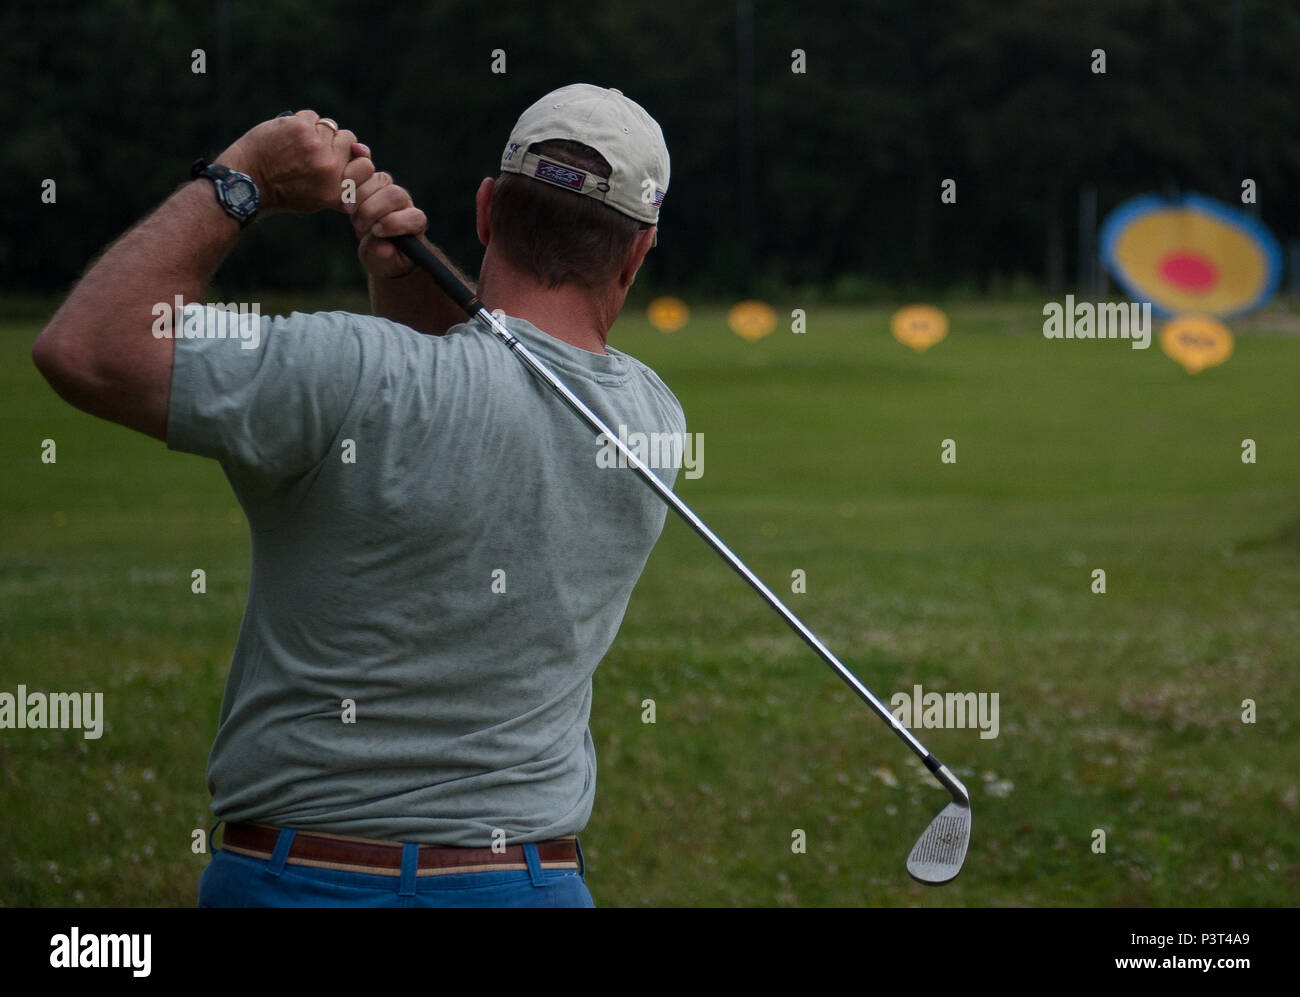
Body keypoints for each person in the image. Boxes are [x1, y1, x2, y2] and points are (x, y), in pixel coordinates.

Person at [32, 84, 683, 908]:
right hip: (526, 880)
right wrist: (409, 295)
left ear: (485, 211)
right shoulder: (651, 420)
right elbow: (459, 416)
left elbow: (87, 347)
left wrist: (244, 179)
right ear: (638, 251)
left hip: (294, 878)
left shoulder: (346, 371)